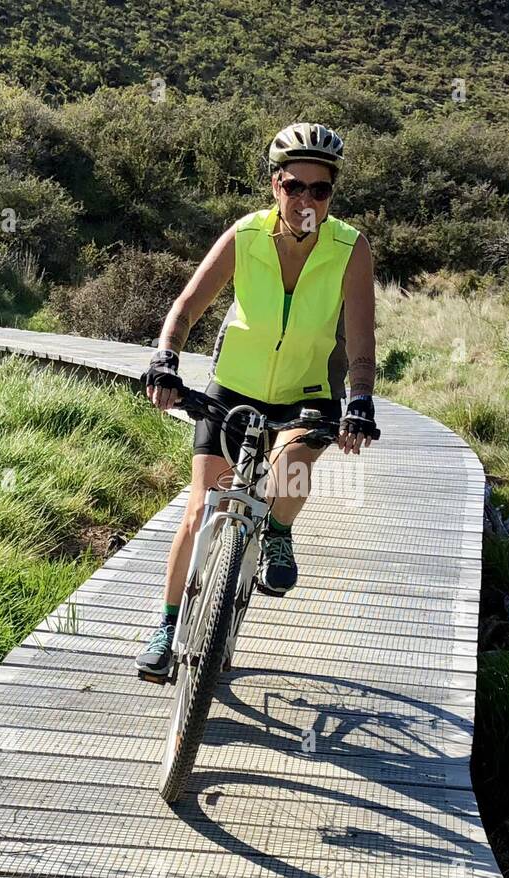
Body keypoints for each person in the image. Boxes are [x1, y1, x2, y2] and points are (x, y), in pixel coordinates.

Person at [135, 121, 378, 678]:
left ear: (332, 194)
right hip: (236, 386)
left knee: (291, 468)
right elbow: (186, 307)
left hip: (307, 390)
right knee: (201, 507)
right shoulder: (244, 236)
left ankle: (279, 534)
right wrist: (166, 359)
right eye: (295, 186)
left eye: (321, 190)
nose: (307, 200)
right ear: (276, 185)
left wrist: (360, 399)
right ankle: (167, 624)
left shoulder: (350, 248)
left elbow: (362, 344)